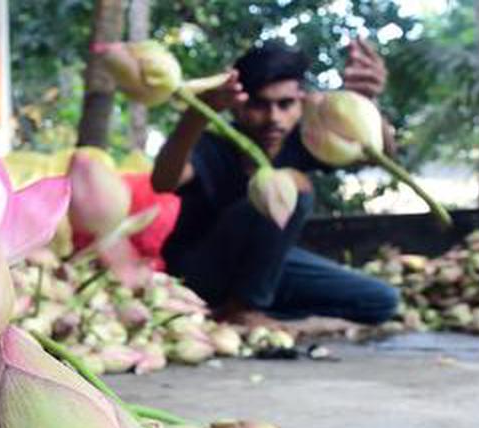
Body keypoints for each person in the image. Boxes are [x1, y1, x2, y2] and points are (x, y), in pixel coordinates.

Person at [150, 39, 400, 329]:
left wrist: (368, 103)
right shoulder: (213, 144)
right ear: (237, 106)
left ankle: (242, 313)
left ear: (302, 102)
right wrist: (198, 111)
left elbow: (378, 157)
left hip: (261, 271)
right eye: (259, 104)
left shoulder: (306, 138)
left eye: (285, 104)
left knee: (380, 300)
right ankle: (243, 310)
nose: (274, 119)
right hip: (201, 268)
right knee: (295, 187)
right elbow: (163, 182)